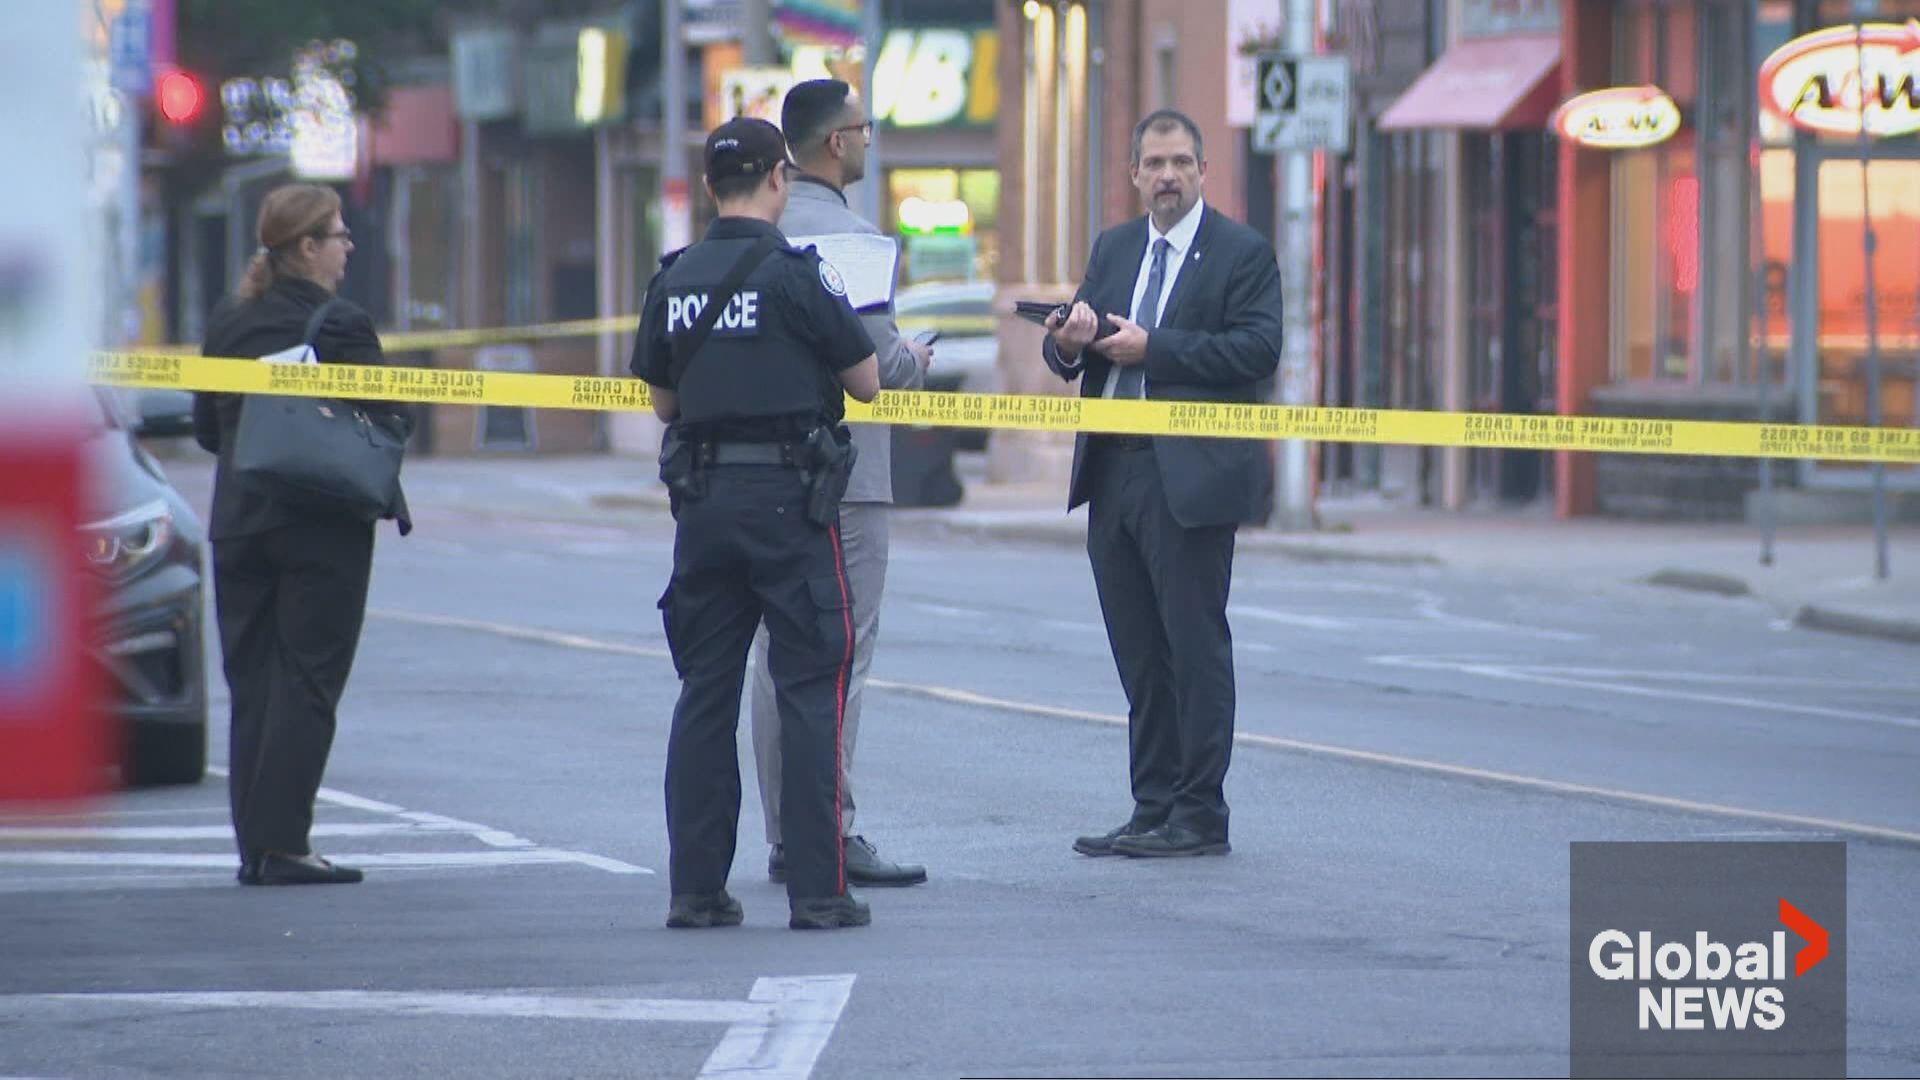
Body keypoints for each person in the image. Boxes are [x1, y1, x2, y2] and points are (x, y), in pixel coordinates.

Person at [632, 116, 882, 931]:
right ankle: (819, 892)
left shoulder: (674, 279)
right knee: (808, 692)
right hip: (790, 506)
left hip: (704, 507)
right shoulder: (799, 275)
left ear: (710, 188)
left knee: (705, 693)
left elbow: (663, 402)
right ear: (780, 177)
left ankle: (696, 890)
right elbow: (868, 381)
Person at [1041, 110, 1284, 859]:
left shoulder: (1241, 252)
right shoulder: (1115, 248)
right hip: (1113, 468)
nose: (1168, 176)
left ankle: (1199, 813)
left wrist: (1156, 350)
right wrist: (1067, 344)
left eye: (1181, 162)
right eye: (1154, 164)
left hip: (1190, 477)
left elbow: (1258, 350)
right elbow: (1074, 350)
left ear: (1204, 172)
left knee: (1193, 646)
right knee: (1140, 653)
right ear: (1135, 175)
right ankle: (1152, 806)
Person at [193, 183, 415, 886]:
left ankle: (256, 848)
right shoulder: (340, 323)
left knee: (253, 685)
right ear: (308, 246)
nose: (349, 246)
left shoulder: (230, 320)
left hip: (239, 522)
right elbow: (387, 417)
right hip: (321, 527)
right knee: (308, 681)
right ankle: (285, 844)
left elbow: (206, 428)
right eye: (340, 235)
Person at [748, 78, 929, 890]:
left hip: (758, 473)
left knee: (771, 657)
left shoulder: (753, 233)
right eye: (862, 128)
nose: (867, 140)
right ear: (835, 142)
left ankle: (786, 835)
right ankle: (830, 831)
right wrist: (916, 357)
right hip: (847, 479)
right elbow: (879, 368)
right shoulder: (856, 243)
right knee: (840, 654)